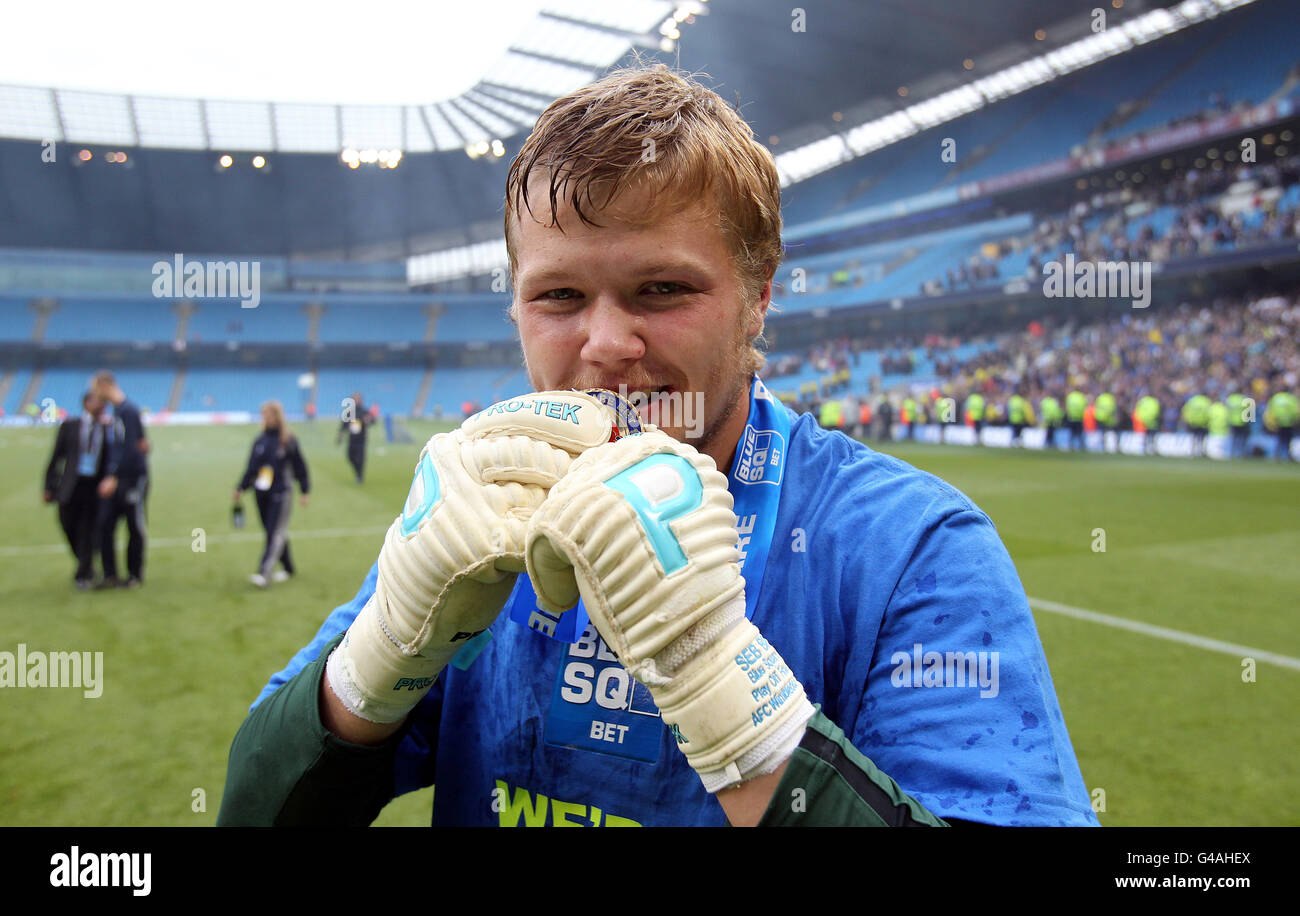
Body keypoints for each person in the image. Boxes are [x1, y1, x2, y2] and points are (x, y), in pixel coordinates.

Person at [219, 65, 1095, 828]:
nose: (606, 345)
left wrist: (724, 686)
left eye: (663, 288)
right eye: (558, 296)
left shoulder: (911, 548)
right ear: (516, 307)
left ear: (759, 297)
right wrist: (377, 657)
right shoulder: (482, 516)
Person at [234, 401, 310, 588]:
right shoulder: (260, 441)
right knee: (272, 531)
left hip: (281, 492)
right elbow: (251, 468)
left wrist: (305, 490)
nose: (265, 419)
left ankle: (264, 572)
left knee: (275, 532)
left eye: (268, 415)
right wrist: (240, 488)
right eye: (263, 415)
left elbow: (300, 466)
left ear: (277, 416)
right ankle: (289, 568)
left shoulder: (288, 440)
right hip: (261, 493)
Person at [43, 391, 108, 589]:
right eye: (98, 400)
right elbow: (56, 457)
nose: (102, 405)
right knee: (68, 524)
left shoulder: (107, 428)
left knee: (88, 530)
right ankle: (85, 561)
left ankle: (83, 573)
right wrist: (48, 486)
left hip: (94, 486)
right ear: (87, 403)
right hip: (71, 486)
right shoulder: (70, 426)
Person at [92, 371, 149, 589]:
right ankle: (110, 575)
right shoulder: (116, 413)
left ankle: (134, 575)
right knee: (104, 525)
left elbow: (134, 448)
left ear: (105, 386)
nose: (95, 394)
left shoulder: (128, 412)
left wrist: (113, 476)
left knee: (134, 526)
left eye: (96, 388)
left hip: (131, 479)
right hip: (115, 479)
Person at [336, 391, 373, 484]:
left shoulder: (364, 411)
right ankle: (357, 472)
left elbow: (372, 420)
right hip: (352, 439)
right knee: (350, 457)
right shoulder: (349, 412)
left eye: (357, 399)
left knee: (360, 458)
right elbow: (343, 425)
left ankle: (360, 476)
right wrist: (340, 435)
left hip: (361, 439)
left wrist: (369, 421)